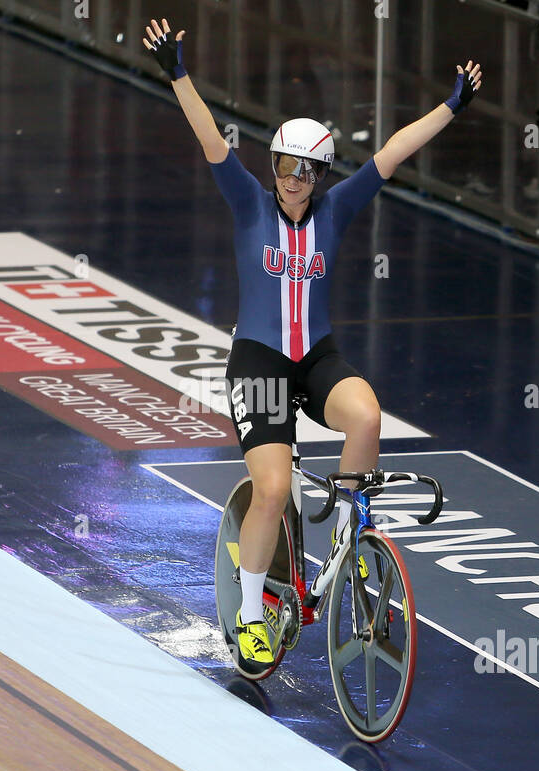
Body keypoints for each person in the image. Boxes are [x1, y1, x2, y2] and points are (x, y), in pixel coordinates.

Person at [143, 17, 482, 671]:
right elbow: (212, 139)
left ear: (322, 175)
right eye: (284, 168)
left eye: (305, 171)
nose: (293, 180)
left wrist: (451, 105)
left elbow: (394, 151)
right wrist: (177, 72)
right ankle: (249, 614)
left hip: (317, 355)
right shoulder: (248, 202)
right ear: (273, 168)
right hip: (261, 364)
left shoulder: (339, 208)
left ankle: (352, 544)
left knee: (368, 415)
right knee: (271, 490)